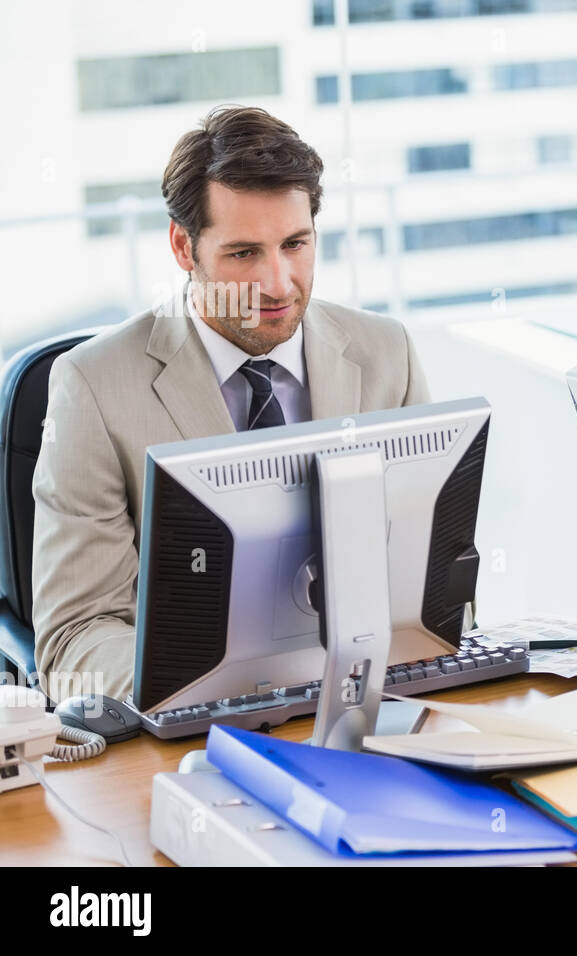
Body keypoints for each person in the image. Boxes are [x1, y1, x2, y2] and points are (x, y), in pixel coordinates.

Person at [31, 105, 431, 703]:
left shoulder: (387, 353)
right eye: (244, 253)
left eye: (295, 244)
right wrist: (216, 690)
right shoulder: (92, 386)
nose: (277, 283)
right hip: (198, 720)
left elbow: (432, 585)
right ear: (182, 245)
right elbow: (75, 637)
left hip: (366, 700)